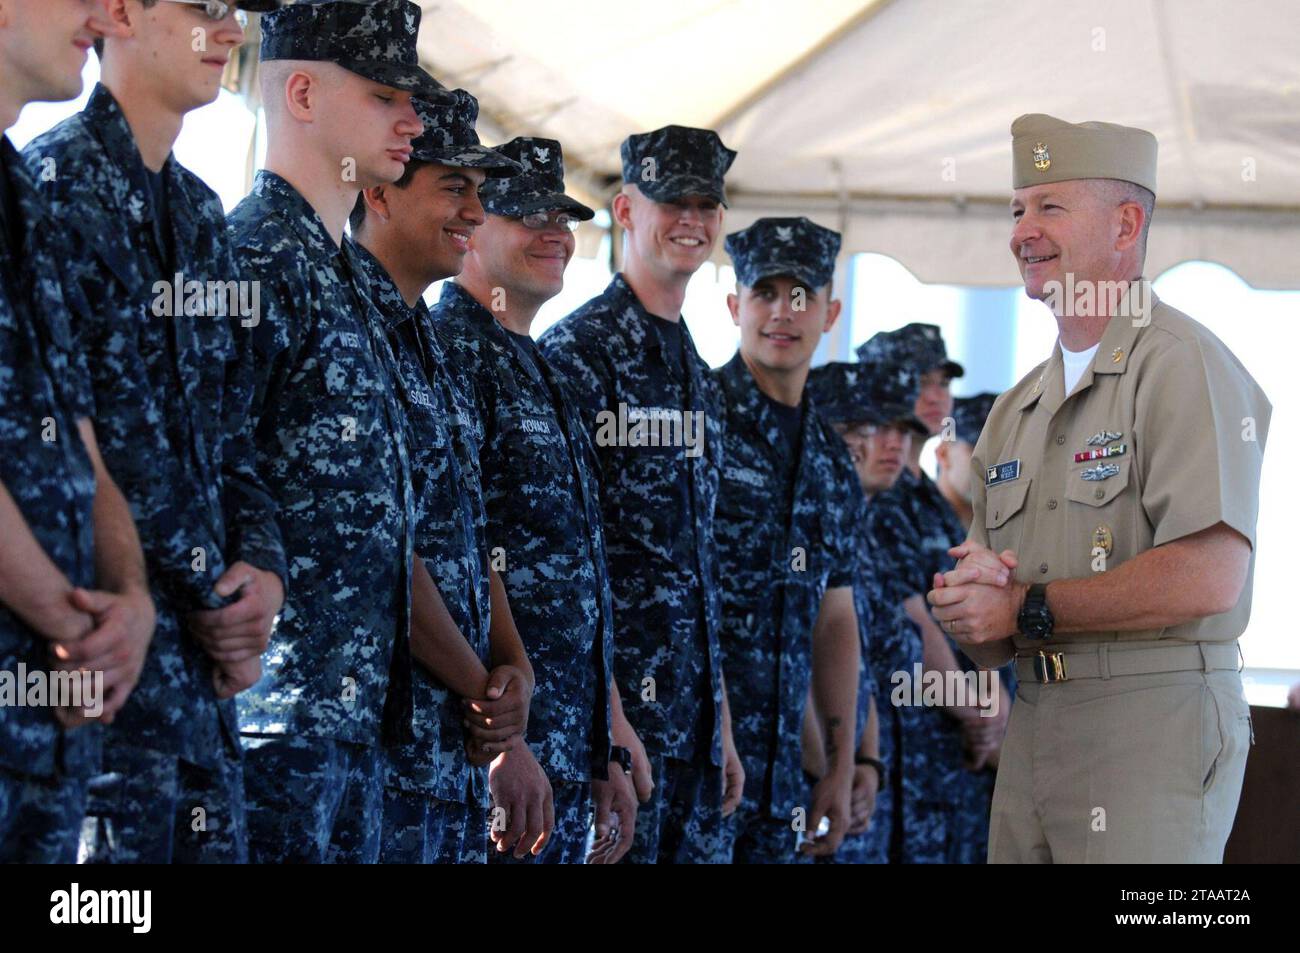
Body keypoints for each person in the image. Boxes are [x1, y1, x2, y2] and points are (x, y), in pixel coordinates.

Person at [929, 112, 1270, 864]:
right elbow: (993, 624)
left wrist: (1028, 605)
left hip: (1149, 728)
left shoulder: (1183, 364)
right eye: (1017, 209)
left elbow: (1210, 575)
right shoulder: (1015, 411)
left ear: (1126, 225)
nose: (1024, 230)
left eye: (1051, 206)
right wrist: (971, 603)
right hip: (1035, 723)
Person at [24, 0, 284, 864]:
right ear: (124, 14)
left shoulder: (204, 217)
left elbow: (234, 427)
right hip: (108, 674)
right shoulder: (53, 188)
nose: (233, 32)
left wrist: (264, 573)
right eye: (205, 7)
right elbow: (106, 437)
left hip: (204, 694)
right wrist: (221, 598)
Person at [225, 0, 452, 863]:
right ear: (306, 96)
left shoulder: (347, 280)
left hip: (360, 718)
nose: (412, 120)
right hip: (279, 717)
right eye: (386, 95)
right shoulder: (252, 256)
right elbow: (210, 468)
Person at [428, 135, 649, 863]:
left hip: (562, 752)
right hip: (490, 754)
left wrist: (607, 738)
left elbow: (580, 581)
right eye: (527, 214)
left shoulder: (540, 366)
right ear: (472, 226)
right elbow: (449, 560)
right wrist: (504, 745)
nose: (554, 233)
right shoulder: (450, 350)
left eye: (563, 217)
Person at [349, 90, 553, 864]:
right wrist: (486, 690)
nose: (473, 211)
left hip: (451, 752)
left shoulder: (424, 342)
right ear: (380, 191)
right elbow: (379, 546)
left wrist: (516, 667)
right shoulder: (354, 324)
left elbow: (470, 532)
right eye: (453, 187)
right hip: (389, 741)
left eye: (478, 191)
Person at [539, 124, 744, 863]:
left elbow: (700, 568)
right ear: (626, 210)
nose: (691, 220)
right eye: (671, 201)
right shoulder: (578, 352)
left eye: (706, 203)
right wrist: (610, 725)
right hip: (615, 731)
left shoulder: (694, 365)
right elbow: (568, 560)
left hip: (691, 732)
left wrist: (718, 721)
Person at [0, 0, 155, 864]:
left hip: (47, 736)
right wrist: (73, 622)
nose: (101, 13)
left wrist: (128, 601)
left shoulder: (24, 196)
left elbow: (79, 444)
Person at [711, 217, 860, 862]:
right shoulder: (695, 422)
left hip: (785, 783)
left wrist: (842, 759)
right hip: (694, 766)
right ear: (733, 305)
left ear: (830, 312)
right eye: (765, 292)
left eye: (801, 295)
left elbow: (835, 619)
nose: (782, 312)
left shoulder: (832, 458)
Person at [859, 327, 996, 862]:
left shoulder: (927, 501)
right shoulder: (881, 494)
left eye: (943, 381)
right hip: (899, 741)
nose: (937, 394)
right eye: (920, 380)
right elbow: (913, 618)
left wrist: (988, 706)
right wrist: (977, 711)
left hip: (946, 754)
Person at [808, 362, 923, 863]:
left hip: (852, 772)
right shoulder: (800, 522)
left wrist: (868, 761)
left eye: (866, 430)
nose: (858, 443)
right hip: (807, 776)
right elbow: (796, 663)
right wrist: (831, 769)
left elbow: (863, 666)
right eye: (845, 429)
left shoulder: (852, 529)